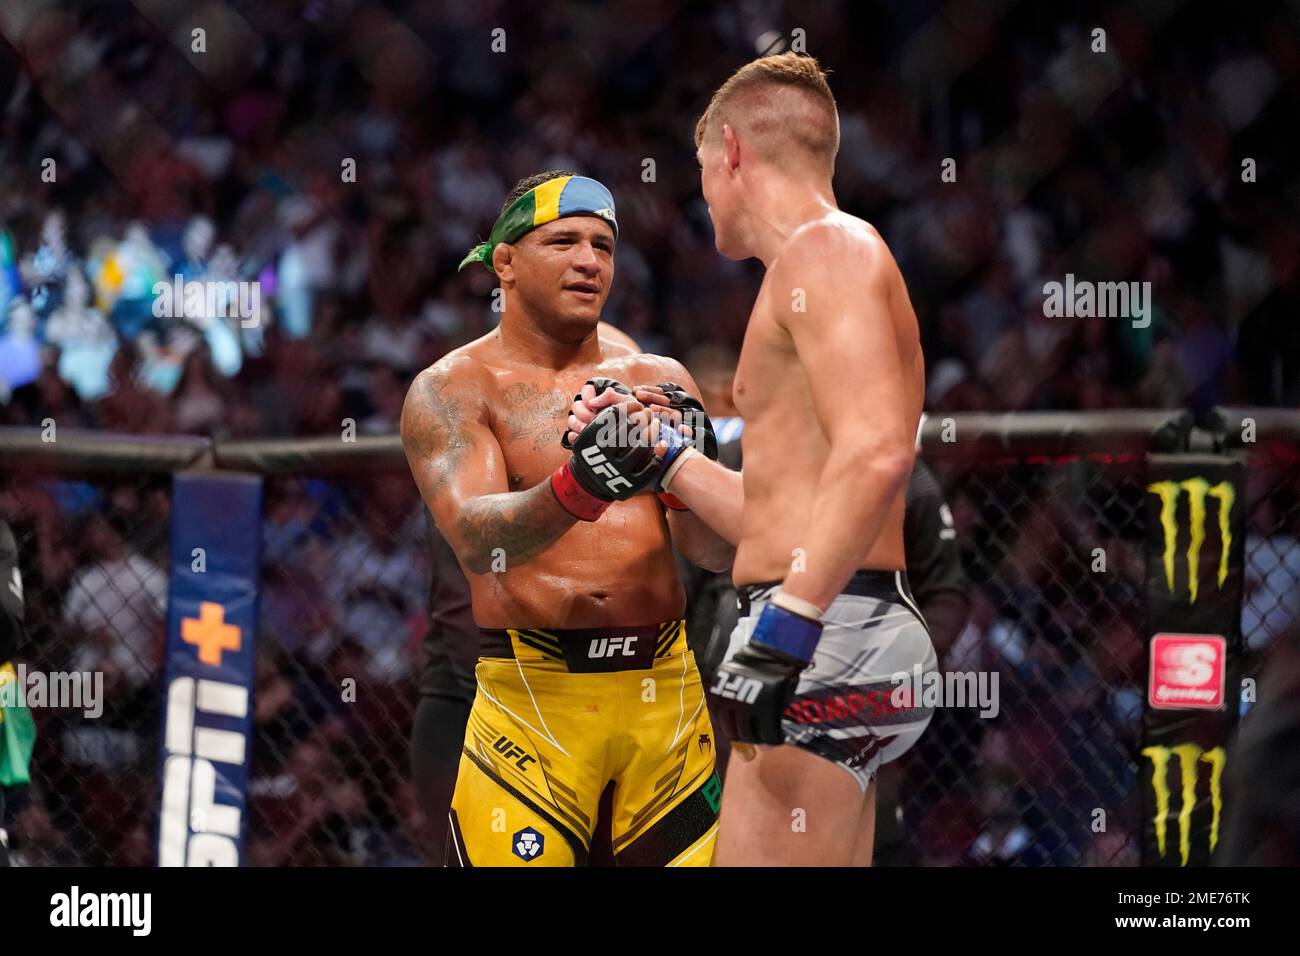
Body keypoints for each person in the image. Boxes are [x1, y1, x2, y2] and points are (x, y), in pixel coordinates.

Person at [620, 52, 938, 866]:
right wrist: (662, 458)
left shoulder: (827, 251)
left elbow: (877, 453)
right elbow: (770, 518)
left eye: (700, 169)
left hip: (824, 629)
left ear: (731, 151)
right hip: (847, 624)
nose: (701, 196)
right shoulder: (811, 272)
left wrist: (787, 625)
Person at [401, 172, 731, 866]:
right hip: (534, 700)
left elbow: (714, 555)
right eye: (564, 241)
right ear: (506, 262)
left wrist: (681, 477)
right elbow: (475, 538)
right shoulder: (453, 389)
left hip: (663, 691)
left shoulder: (658, 378)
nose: (590, 261)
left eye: (603, 246)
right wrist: (582, 483)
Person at [409, 321, 642, 864]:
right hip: (487, 701)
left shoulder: (635, 417)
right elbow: (468, 592)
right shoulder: (471, 415)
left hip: (617, 704)